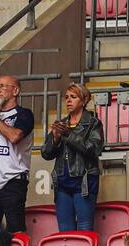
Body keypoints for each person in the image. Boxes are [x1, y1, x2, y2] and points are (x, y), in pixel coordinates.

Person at [42, 83, 104, 232]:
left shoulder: (93, 123)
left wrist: (68, 135)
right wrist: (55, 139)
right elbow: (46, 153)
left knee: (84, 229)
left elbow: (93, 149)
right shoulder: (62, 124)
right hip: (62, 181)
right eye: (67, 97)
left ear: (83, 100)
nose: (68, 100)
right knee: (64, 230)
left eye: (73, 97)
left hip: (84, 182)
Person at [0, 75, 33, 234]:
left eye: (3, 86)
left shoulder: (24, 114)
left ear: (15, 91)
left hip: (13, 182)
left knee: (16, 232)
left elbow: (14, 136)